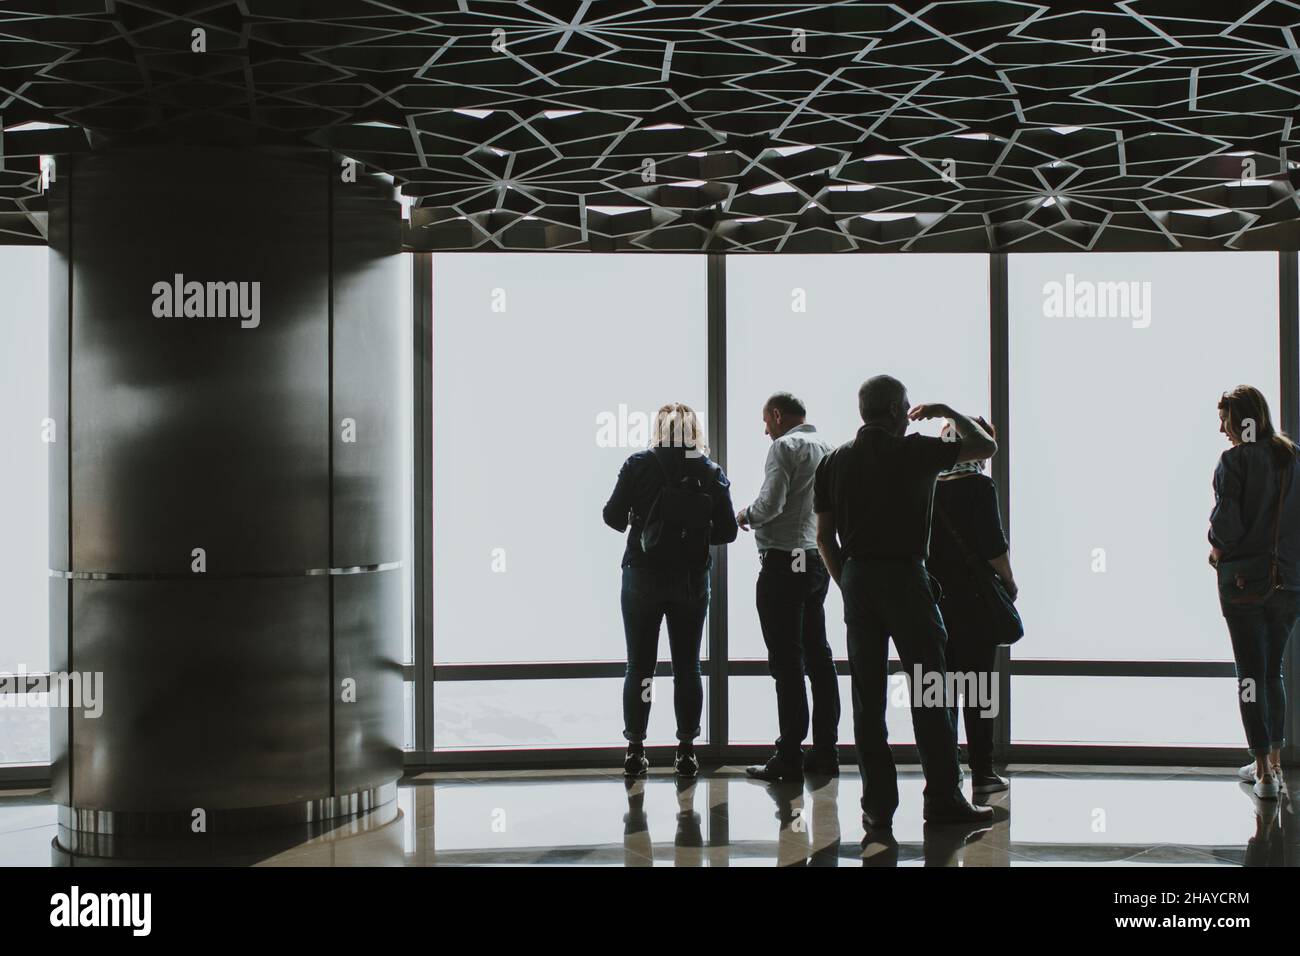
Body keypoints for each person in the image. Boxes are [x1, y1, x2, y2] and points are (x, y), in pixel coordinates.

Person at [813, 374, 996, 829]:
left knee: (867, 699)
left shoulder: (833, 461)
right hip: (905, 577)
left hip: (858, 578)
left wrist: (847, 582)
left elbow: (823, 537)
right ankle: (942, 799)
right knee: (930, 691)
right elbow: (986, 448)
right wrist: (950, 414)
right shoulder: (915, 450)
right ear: (897, 409)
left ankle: (877, 807)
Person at [603, 403, 738, 778]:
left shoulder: (638, 464)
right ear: (695, 431)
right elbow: (727, 531)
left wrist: (638, 517)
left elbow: (612, 517)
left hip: (642, 577)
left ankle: (635, 749)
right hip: (691, 580)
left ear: (660, 428)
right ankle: (686, 750)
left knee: (640, 667)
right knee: (688, 667)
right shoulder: (710, 471)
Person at [736, 392, 839, 783]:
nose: (765, 430)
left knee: (786, 662)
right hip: (816, 560)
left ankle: (789, 754)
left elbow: (772, 502)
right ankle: (825, 751)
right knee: (819, 658)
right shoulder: (829, 448)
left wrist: (745, 515)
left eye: (765, 421)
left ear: (777, 416)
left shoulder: (785, 446)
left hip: (783, 563)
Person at [1209, 385, 1300, 801]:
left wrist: (1216, 547)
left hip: (1245, 583)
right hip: (1290, 582)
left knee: (1249, 675)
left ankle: (1262, 770)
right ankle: (1277, 764)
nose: (1223, 429)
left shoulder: (1235, 461)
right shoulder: (1292, 457)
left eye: (1226, 419)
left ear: (1243, 419)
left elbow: (1227, 526)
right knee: (1272, 673)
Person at [928, 419, 1016, 795]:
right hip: (975, 602)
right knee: (978, 687)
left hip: (933, 601)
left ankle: (944, 774)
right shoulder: (980, 486)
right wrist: (1009, 581)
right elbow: (993, 545)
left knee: (937, 688)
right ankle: (983, 771)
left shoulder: (927, 486)